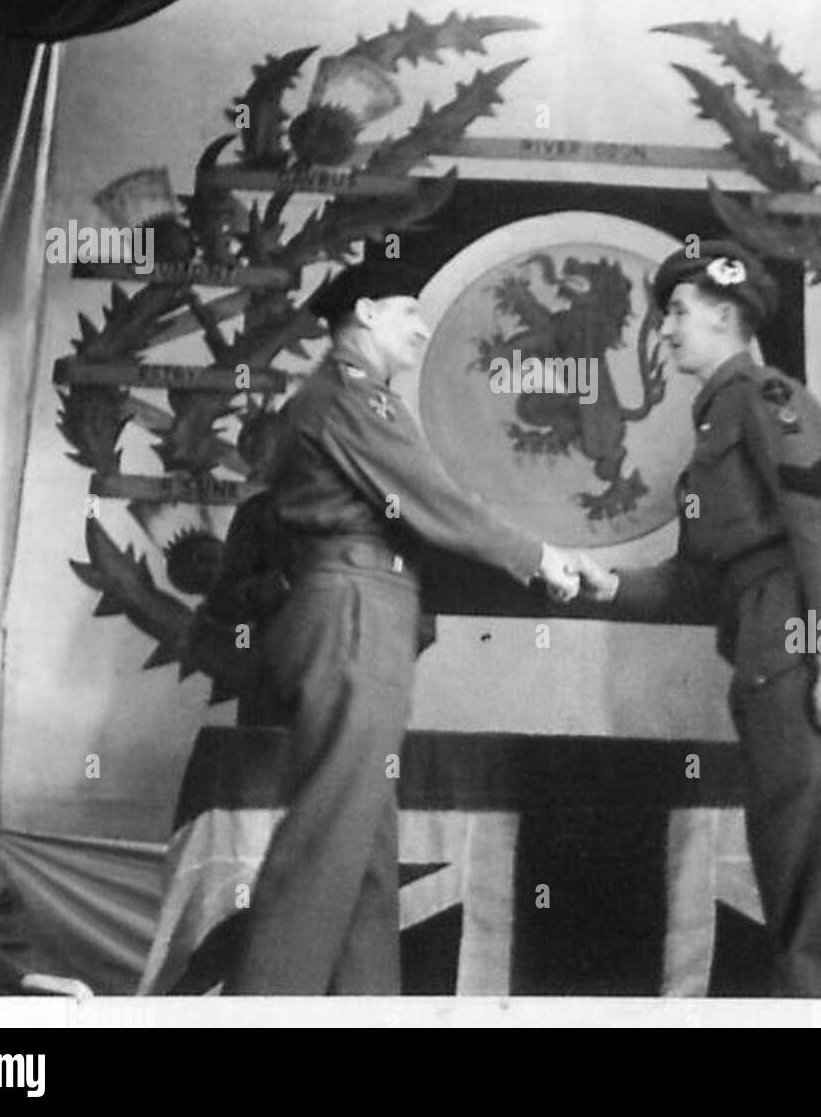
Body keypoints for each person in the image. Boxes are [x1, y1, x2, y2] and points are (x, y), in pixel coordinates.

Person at [225, 258, 581, 995]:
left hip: (362, 610)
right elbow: (433, 500)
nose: (421, 327)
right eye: (406, 312)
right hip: (354, 615)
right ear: (364, 316)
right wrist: (539, 557)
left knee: (363, 851)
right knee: (328, 838)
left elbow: (424, 511)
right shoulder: (348, 399)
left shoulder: (355, 400)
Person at [570, 240, 821, 997]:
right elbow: (692, 584)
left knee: (815, 873)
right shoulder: (715, 428)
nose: (666, 329)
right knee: (790, 861)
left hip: (806, 645)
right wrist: (604, 587)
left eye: (677, 312)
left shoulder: (763, 394)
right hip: (766, 648)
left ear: (723, 314)